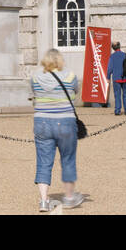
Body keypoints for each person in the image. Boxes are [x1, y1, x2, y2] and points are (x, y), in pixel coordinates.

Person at [31, 48, 84, 213]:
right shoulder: (70, 76)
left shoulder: (36, 77)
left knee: (43, 161)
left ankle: (44, 200)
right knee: (67, 159)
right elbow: (75, 91)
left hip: (42, 121)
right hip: (65, 120)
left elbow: (34, 93)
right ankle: (69, 197)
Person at [106, 41, 126, 115]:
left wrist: (108, 77)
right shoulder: (125, 55)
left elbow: (109, 68)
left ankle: (117, 110)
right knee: (125, 94)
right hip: (125, 77)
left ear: (113, 48)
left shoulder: (112, 56)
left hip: (116, 78)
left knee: (117, 95)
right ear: (119, 46)